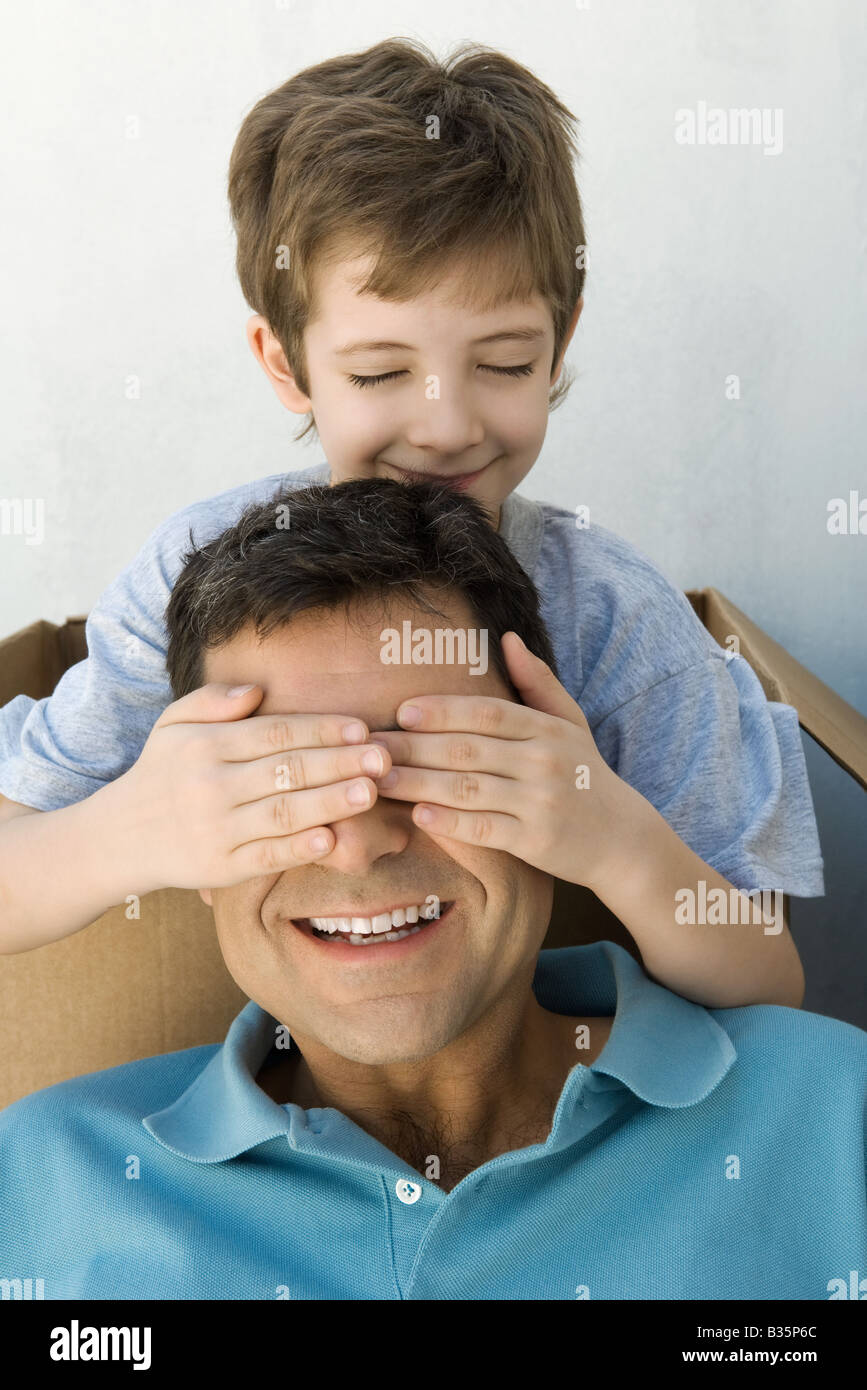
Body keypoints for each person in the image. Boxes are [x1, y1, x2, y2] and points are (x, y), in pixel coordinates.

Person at [0, 41, 822, 1015]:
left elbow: (770, 983)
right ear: (287, 363)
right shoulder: (191, 580)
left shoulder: (614, 619)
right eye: (381, 373)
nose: (445, 424)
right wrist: (128, 833)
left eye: (506, 362)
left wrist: (610, 833)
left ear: (561, 341)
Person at [0, 480, 863, 1300]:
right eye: (275, 785)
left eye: (440, 762)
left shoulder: (834, 1116)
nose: (361, 847)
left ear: (561, 786)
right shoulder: (40, 1179)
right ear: (183, 849)